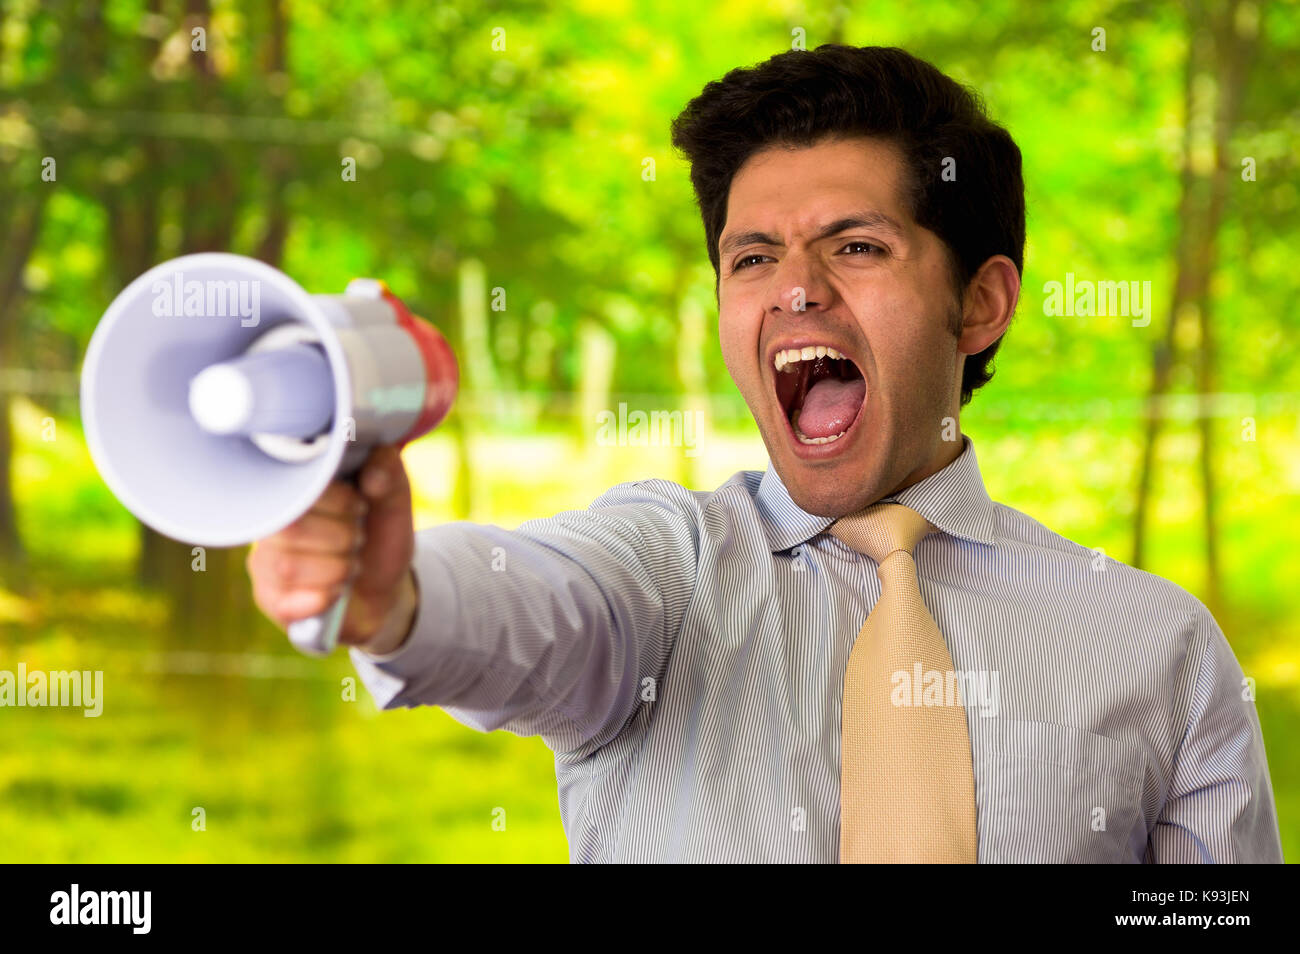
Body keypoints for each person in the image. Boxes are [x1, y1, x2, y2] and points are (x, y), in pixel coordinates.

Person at [245, 44, 1283, 863]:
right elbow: (538, 605)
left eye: (855, 244)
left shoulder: (1160, 649)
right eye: (752, 257)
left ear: (979, 302)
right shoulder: (667, 569)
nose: (795, 286)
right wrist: (395, 596)